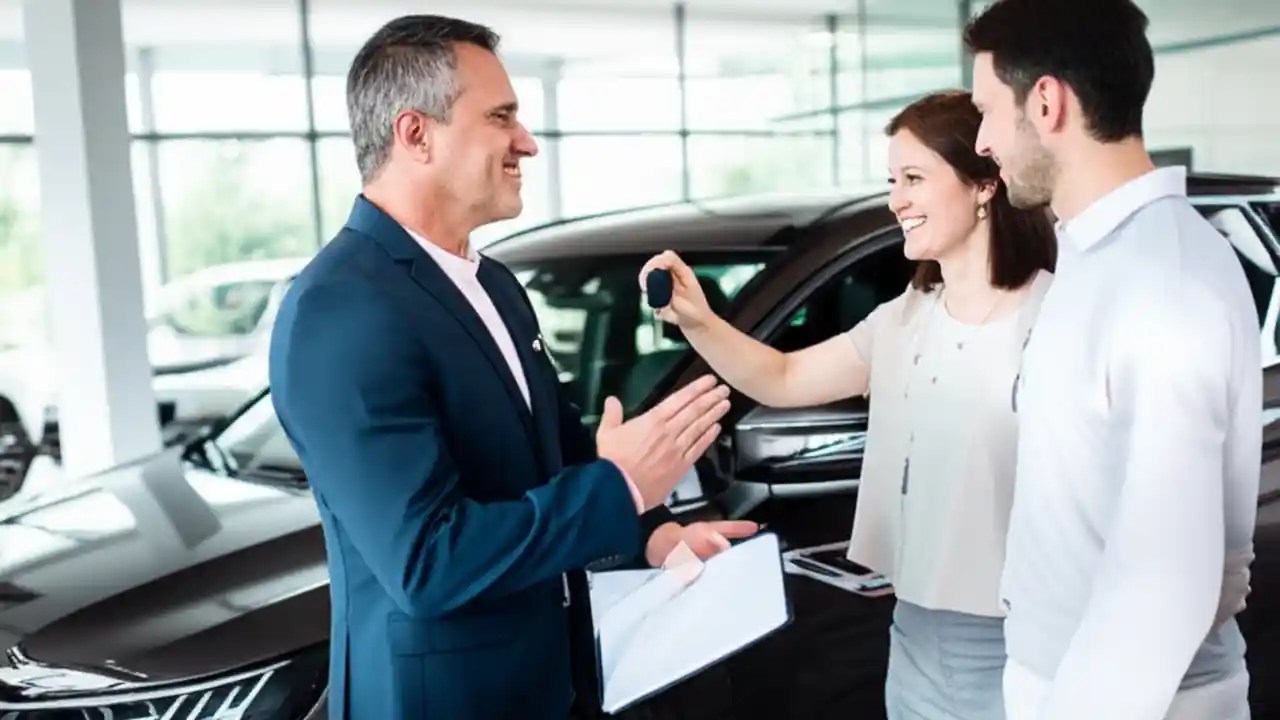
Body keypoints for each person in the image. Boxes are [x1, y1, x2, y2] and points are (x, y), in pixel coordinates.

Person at [269, 15, 755, 720]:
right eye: (500, 117)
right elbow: (426, 564)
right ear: (416, 134)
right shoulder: (340, 309)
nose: (526, 141)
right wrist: (619, 486)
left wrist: (652, 531)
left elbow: (552, 454)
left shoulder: (495, 283)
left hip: (553, 687)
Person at [640, 90, 1057, 719]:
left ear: (984, 184)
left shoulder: (1052, 316)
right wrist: (699, 320)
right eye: (893, 181)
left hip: (1016, 639)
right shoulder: (906, 318)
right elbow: (782, 377)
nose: (897, 201)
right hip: (912, 635)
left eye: (914, 178)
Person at [965, 1, 1259, 718]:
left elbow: (1166, 579)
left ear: (1046, 102)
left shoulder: (1161, 281)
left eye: (987, 112)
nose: (981, 142)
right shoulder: (1102, 256)